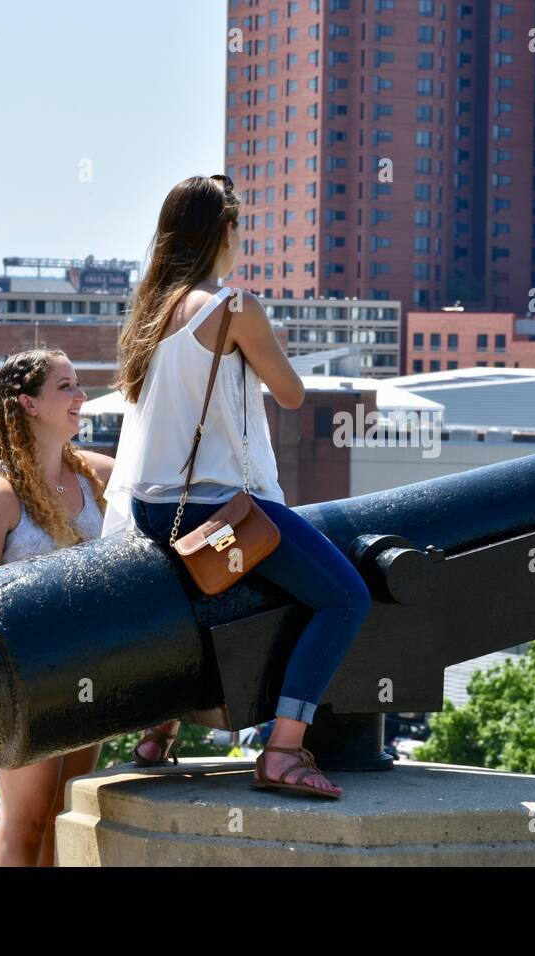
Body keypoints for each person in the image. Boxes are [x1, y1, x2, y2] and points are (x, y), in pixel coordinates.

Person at [102, 174, 372, 799]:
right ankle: (282, 749)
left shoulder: (152, 312)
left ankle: (156, 731)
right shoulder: (234, 309)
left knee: (207, 598)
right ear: (226, 232)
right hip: (214, 509)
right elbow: (293, 393)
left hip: (152, 509)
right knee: (343, 597)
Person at [0, 347, 115, 865]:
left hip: (89, 677)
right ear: (28, 404)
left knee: (66, 818)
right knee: (27, 822)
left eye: (79, 384)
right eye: (65, 387)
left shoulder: (99, 476)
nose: (81, 396)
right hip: (21, 685)